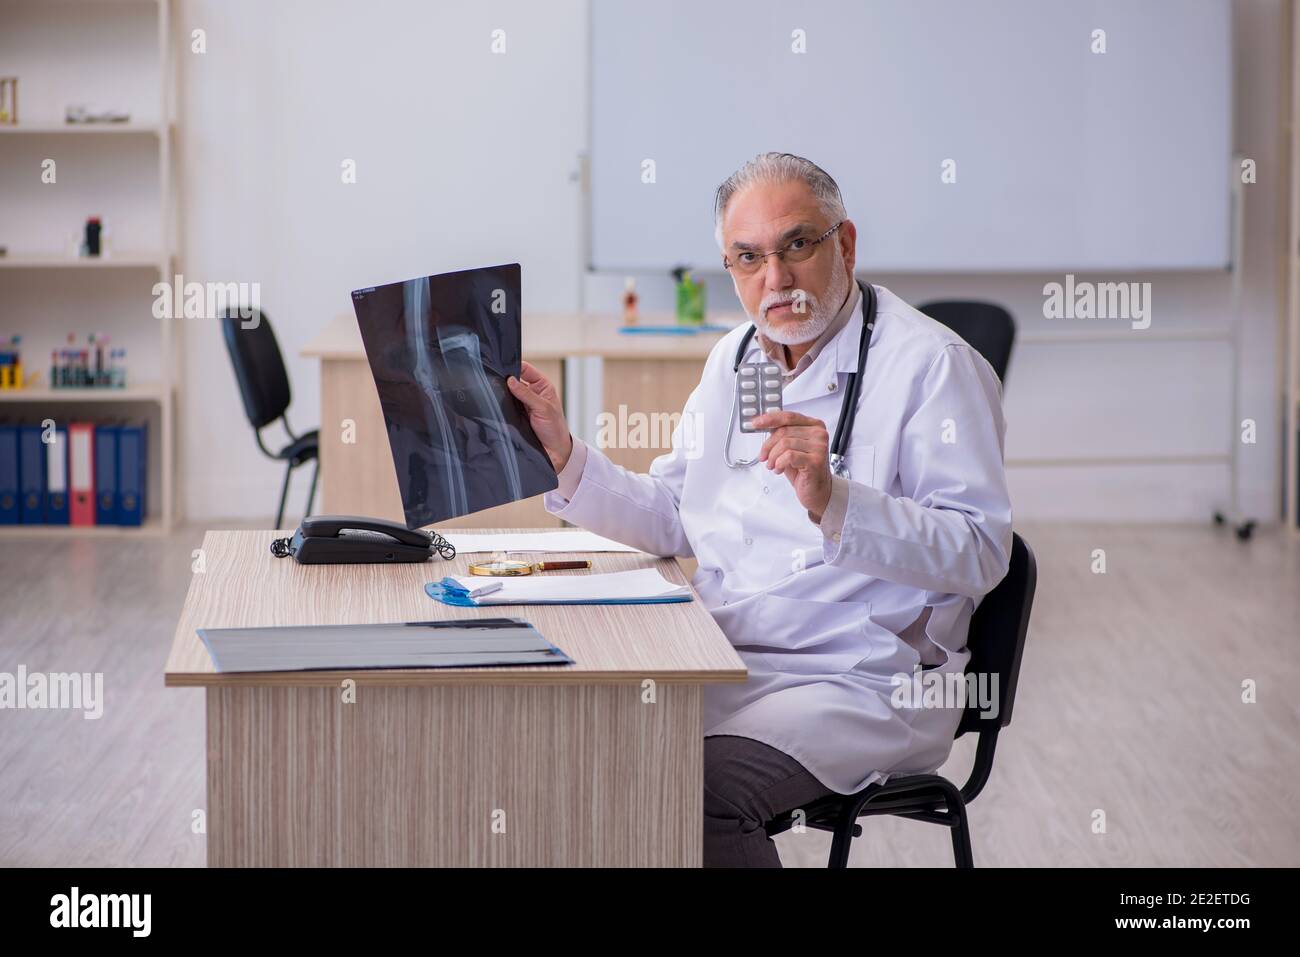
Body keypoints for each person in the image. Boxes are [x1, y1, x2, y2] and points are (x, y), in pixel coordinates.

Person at [507, 152, 1013, 867]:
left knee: (696, 791)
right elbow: (677, 511)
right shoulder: (738, 357)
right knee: (583, 751)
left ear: (845, 243)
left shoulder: (932, 367)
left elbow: (982, 552)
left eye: (796, 246)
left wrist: (836, 499)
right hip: (726, 657)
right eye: (748, 258)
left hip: (861, 681)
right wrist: (564, 454)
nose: (775, 279)